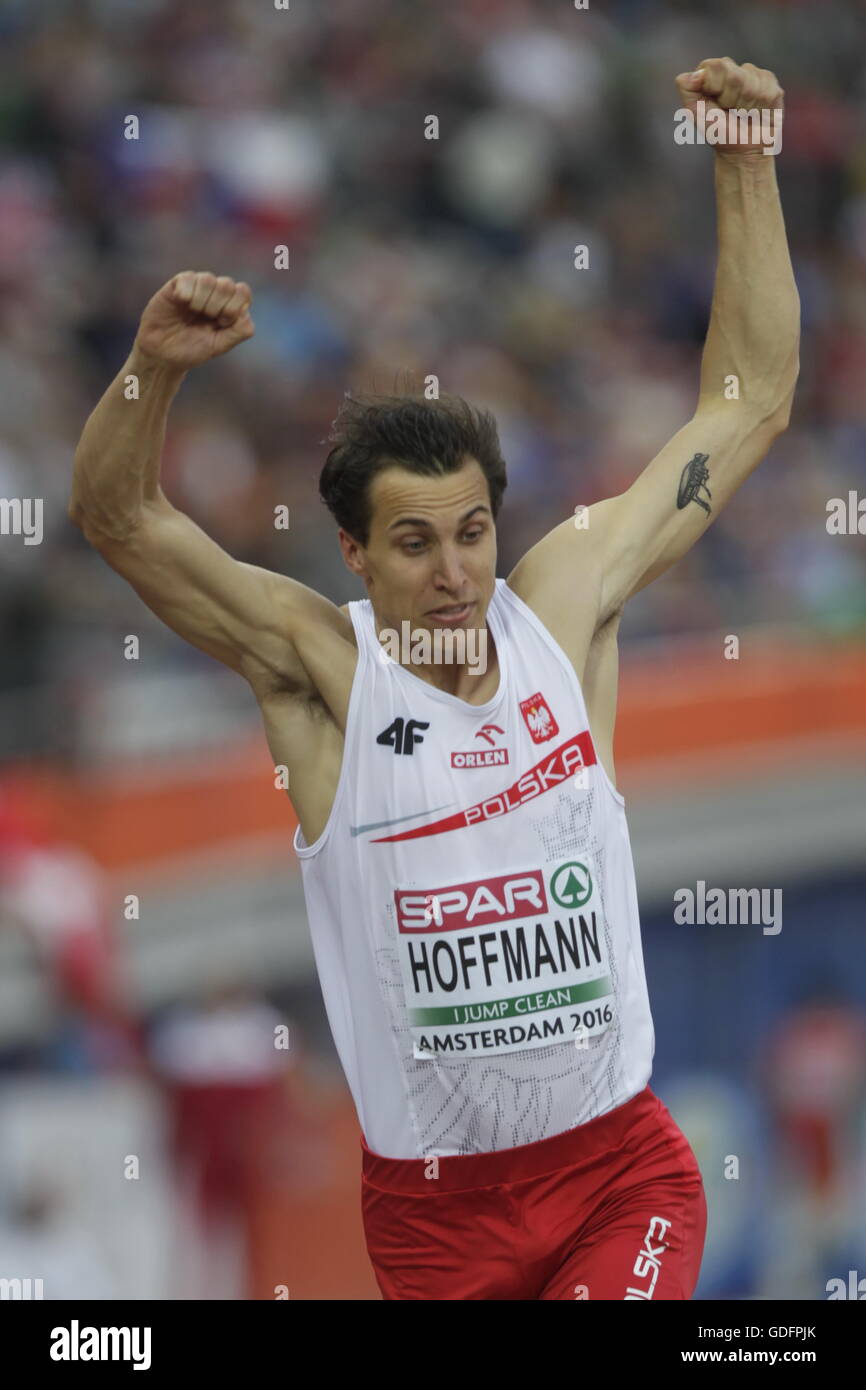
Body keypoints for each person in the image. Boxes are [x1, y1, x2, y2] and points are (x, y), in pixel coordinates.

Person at [68, 58, 799, 1300]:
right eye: (413, 543)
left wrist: (742, 158)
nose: (454, 570)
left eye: (471, 531)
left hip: (616, 1170)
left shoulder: (562, 611)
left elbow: (748, 405)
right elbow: (121, 519)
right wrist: (151, 368)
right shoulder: (315, 672)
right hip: (432, 1219)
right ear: (354, 552)